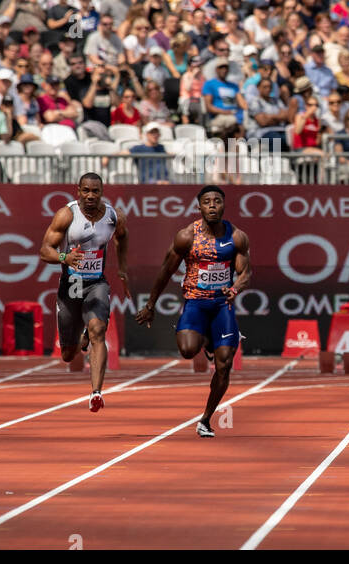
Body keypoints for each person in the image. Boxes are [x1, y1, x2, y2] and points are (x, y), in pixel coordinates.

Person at [135, 185, 252, 438]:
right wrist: (150, 304)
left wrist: (236, 288)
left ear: (224, 205)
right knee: (188, 350)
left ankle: (206, 419)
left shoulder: (237, 237)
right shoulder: (187, 236)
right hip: (196, 302)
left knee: (225, 365)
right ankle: (207, 341)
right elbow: (166, 271)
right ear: (199, 207)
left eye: (217, 201)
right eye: (207, 202)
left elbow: (245, 273)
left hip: (223, 304)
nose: (212, 206)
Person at [38, 173, 130, 411]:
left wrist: (121, 269)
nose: (90, 196)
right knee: (68, 354)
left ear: (102, 191)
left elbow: (122, 237)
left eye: (95, 191)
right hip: (71, 286)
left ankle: (96, 392)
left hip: (96, 283)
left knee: (99, 330)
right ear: (77, 190)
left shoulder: (113, 216)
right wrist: (64, 257)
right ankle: (82, 335)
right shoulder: (67, 215)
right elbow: (45, 250)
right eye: (86, 191)